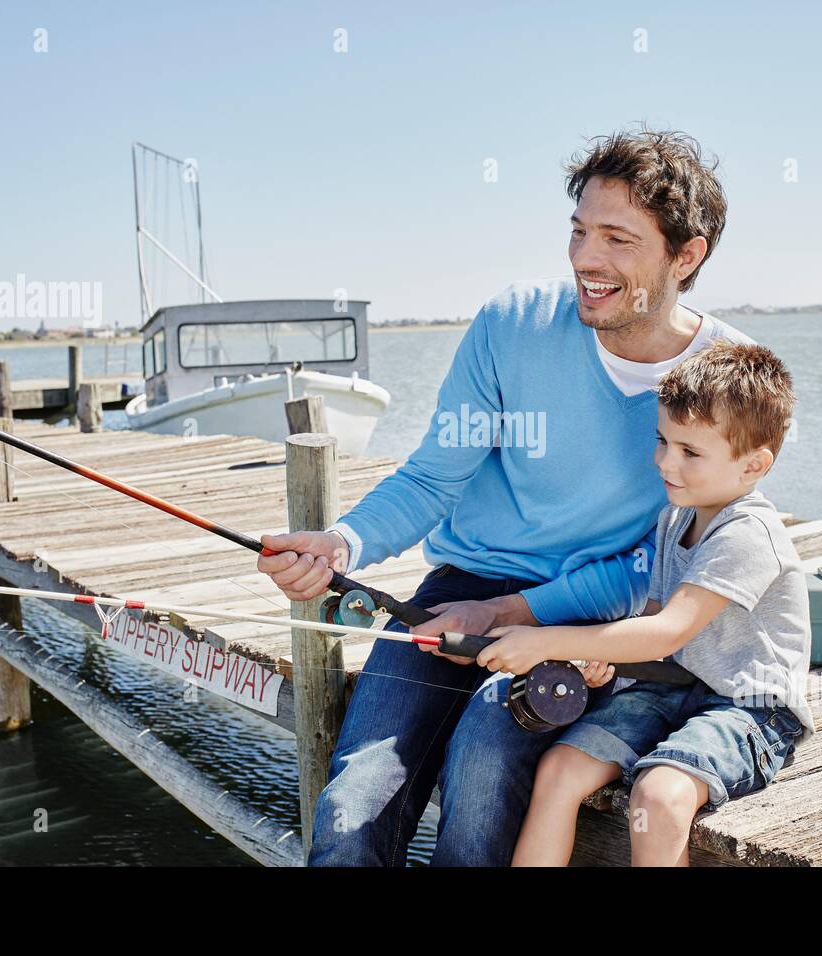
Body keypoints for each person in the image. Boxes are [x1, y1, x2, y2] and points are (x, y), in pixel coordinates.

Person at [258, 126, 755, 866]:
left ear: (687, 255)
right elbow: (433, 477)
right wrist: (343, 545)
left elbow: (660, 564)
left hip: (585, 620)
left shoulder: (728, 382)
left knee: (482, 775)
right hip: (457, 590)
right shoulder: (511, 323)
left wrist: (510, 617)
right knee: (352, 807)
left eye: (618, 239)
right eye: (580, 231)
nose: (588, 259)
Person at [480, 340, 816, 867]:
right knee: (559, 771)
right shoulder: (676, 516)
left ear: (754, 465)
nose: (665, 461)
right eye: (663, 441)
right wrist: (603, 658)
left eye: (690, 452)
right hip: (672, 684)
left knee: (657, 797)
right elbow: (652, 624)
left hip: (750, 708)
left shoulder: (747, 534)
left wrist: (543, 640)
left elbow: (668, 633)